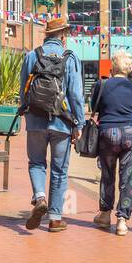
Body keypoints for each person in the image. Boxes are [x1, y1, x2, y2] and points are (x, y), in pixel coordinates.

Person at [18, 16, 84, 233]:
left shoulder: (31, 55)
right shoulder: (70, 58)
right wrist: (79, 123)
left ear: (47, 35)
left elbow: (23, 90)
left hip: (36, 120)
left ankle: (39, 197)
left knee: (36, 163)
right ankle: (55, 218)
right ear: (63, 36)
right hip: (62, 123)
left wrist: (26, 112)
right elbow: (75, 94)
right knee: (59, 170)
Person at [90, 51, 132, 236]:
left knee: (108, 174)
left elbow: (92, 107)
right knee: (130, 177)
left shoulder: (101, 85)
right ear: (129, 69)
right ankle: (122, 220)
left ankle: (104, 214)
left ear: (113, 66)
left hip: (107, 133)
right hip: (131, 134)